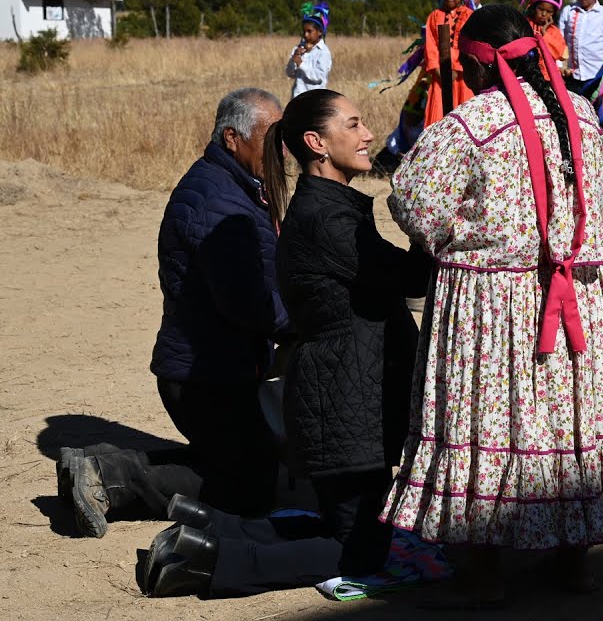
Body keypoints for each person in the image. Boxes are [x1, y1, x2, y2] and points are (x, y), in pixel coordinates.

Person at [382, 4, 603, 607]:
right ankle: (573, 561)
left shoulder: (468, 125)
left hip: (490, 302)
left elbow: (413, 202)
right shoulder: (580, 114)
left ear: (478, 64)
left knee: (488, 419)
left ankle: (483, 572)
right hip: (574, 296)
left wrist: (457, 237)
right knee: (568, 417)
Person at [138, 89, 430, 597]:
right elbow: (409, 277)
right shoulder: (328, 218)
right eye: (355, 125)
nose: (367, 136)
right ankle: (212, 562)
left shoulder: (332, 207)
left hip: (344, 395)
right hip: (345, 401)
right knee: (361, 550)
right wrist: (435, 220)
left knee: (351, 526)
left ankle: (211, 529)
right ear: (317, 142)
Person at [62, 88, 289, 539]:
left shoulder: (235, 186)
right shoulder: (217, 202)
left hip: (220, 368)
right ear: (232, 138)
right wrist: (304, 322)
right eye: (270, 137)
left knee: (253, 466)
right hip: (203, 378)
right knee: (249, 488)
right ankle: (110, 476)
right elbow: (248, 302)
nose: (279, 150)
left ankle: (105, 462)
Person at [384, 0, 478, 165]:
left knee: (465, 119)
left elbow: (470, 44)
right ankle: (436, 163)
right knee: (437, 120)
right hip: (438, 78)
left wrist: (458, 68)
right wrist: (437, 69)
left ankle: (464, 163)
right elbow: (431, 45)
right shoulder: (434, 16)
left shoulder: (470, 16)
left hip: (463, 80)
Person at [521, 0, 570, 76]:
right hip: (524, 75)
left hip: (548, 77)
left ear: (554, 14)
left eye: (549, 12)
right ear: (534, 7)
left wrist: (544, 33)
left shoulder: (554, 31)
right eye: (541, 9)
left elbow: (561, 53)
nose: (544, 14)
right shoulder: (524, 24)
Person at [285, 2, 333, 99]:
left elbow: (318, 76)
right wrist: (293, 59)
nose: (305, 35)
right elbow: (289, 73)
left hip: (315, 100)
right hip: (297, 98)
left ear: (319, 32)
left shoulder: (323, 52)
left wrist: (301, 64)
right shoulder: (298, 48)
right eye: (304, 31)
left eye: (309, 31)